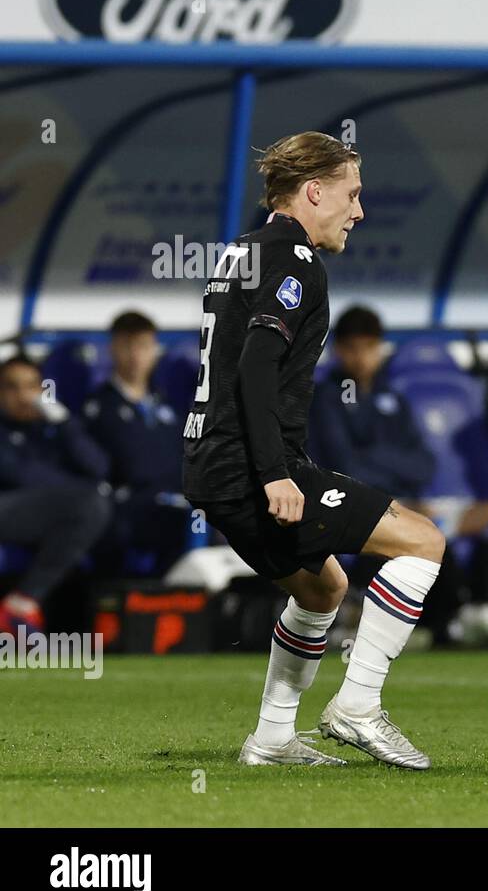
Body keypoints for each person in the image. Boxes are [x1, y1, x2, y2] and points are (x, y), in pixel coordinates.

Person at [182, 131, 445, 770]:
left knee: (325, 586)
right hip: (249, 465)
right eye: (351, 196)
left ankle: (270, 741)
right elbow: (256, 367)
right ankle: (357, 707)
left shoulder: (243, 251)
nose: (358, 212)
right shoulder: (295, 261)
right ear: (315, 191)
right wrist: (275, 473)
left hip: (209, 464)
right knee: (424, 541)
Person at [309, 305, 488, 645]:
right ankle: (453, 615)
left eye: (369, 348)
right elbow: (345, 467)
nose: (361, 357)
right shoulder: (325, 399)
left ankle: (485, 607)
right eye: (352, 348)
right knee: (426, 528)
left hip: (413, 500)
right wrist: (392, 469)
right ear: (338, 350)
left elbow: (423, 465)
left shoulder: (392, 396)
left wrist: (374, 455)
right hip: (358, 505)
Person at [0, 354, 112, 634]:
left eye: (30, 386)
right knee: (89, 502)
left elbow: (99, 467)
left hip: (44, 514)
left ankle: (27, 603)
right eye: (12, 387)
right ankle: (22, 603)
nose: (23, 396)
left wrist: (64, 422)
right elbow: (21, 476)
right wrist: (78, 488)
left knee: (96, 505)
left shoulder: (50, 429)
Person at [83, 311, 188, 575]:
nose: (135, 356)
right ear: (112, 350)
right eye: (126, 346)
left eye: (143, 346)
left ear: (154, 350)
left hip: (175, 501)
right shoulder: (98, 407)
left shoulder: (169, 407)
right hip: (129, 506)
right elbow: (122, 466)